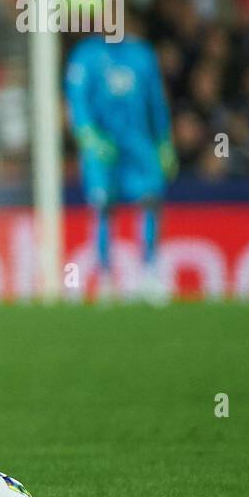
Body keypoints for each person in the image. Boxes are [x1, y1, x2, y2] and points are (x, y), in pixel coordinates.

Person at [65, 26, 177, 304]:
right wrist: (88, 134)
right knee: (103, 205)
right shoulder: (86, 54)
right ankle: (104, 278)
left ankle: (150, 273)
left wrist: (163, 140)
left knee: (150, 200)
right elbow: (77, 100)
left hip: (138, 144)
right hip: (103, 145)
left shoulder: (141, 54)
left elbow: (156, 100)